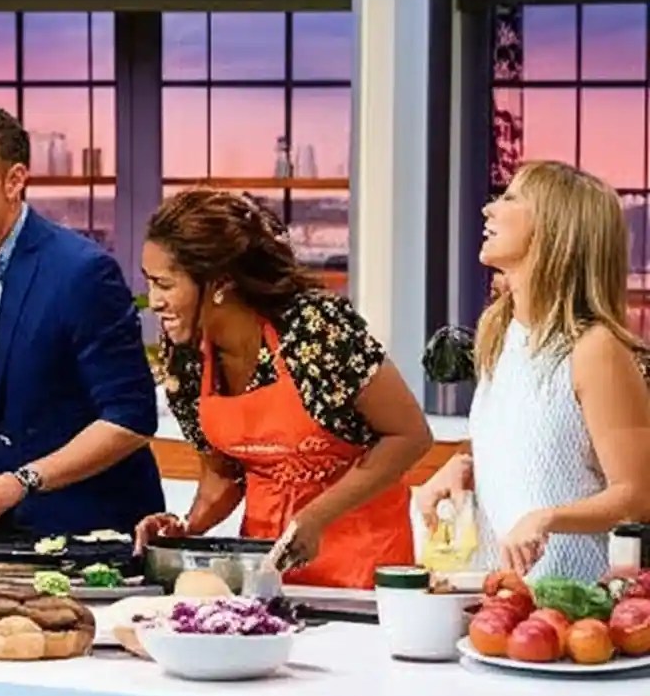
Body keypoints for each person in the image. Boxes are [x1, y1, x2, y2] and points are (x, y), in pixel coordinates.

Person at [134, 189, 433, 589]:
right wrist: (184, 528)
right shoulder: (187, 358)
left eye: (165, 284)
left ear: (220, 282)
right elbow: (224, 477)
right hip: (263, 567)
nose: (155, 302)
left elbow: (410, 436)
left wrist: (316, 516)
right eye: (150, 284)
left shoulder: (315, 327)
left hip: (361, 562)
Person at [0, 104, 165, 537]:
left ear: (15, 180)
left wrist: (22, 482)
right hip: (8, 533)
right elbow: (19, 404)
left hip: (99, 534)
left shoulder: (82, 271)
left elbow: (130, 419)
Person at [416, 160, 650, 581]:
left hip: (568, 608)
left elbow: (636, 495)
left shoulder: (596, 349)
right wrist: (461, 464)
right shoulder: (500, 331)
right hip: (496, 598)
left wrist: (547, 517)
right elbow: (525, 438)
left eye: (510, 198)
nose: (489, 210)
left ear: (555, 229)